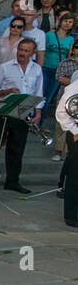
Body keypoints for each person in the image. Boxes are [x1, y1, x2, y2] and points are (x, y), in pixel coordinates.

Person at [0, 36, 44, 193]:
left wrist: (38, 113)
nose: (22, 53)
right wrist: (7, 91)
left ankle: (13, 181)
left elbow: (38, 92)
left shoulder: (37, 69)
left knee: (17, 149)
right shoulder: (5, 67)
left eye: (26, 51)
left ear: (33, 53)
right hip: (4, 113)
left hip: (23, 114)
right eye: (20, 49)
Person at [57, 73, 78, 226]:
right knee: (76, 176)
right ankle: (71, 215)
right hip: (76, 135)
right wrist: (75, 131)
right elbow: (61, 112)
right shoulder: (74, 87)